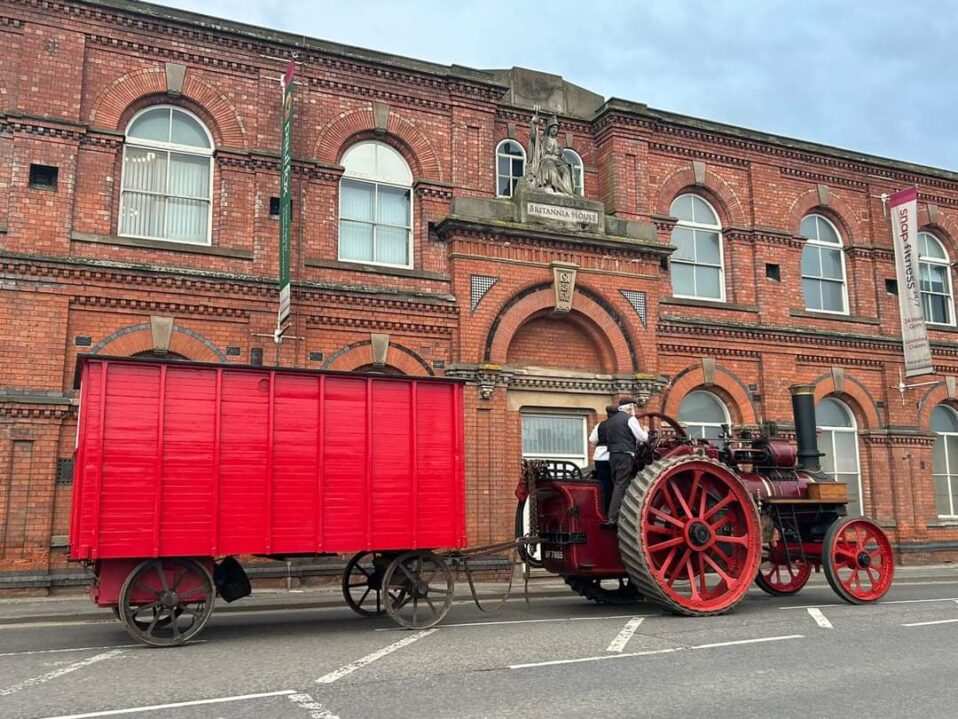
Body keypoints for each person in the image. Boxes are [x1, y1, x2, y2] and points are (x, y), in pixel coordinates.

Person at [603, 397, 649, 529]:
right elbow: (642, 438)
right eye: (634, 407)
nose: (635, 410)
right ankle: (613, 518)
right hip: (625, 454)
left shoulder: (611, 421)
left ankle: (615, 514)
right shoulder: (630, 419)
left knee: (616, 483)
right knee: (621, 484)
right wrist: (646, 431)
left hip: (612, 455)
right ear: (630, 407)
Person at [526, 108, 575, 195]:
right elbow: (533, 137)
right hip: (546, 159)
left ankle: (566, 191)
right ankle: (551, 186)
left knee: (565, 169)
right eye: (553, 127)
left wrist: (567, 163)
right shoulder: (543, 139)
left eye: (556, 128)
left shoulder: (558, 142)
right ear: (549, 128)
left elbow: (562, 155)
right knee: (550, 165)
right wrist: (533, 123)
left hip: (557, 161)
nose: (555, 130)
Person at [588, 405, 618, 514]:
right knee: (616, 484)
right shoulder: (620, 425)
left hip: (600, 457)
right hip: (614, 456)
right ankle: (612, 510)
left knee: (603, 484)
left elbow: (592, 439)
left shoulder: (600, 425)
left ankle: (603, 509)